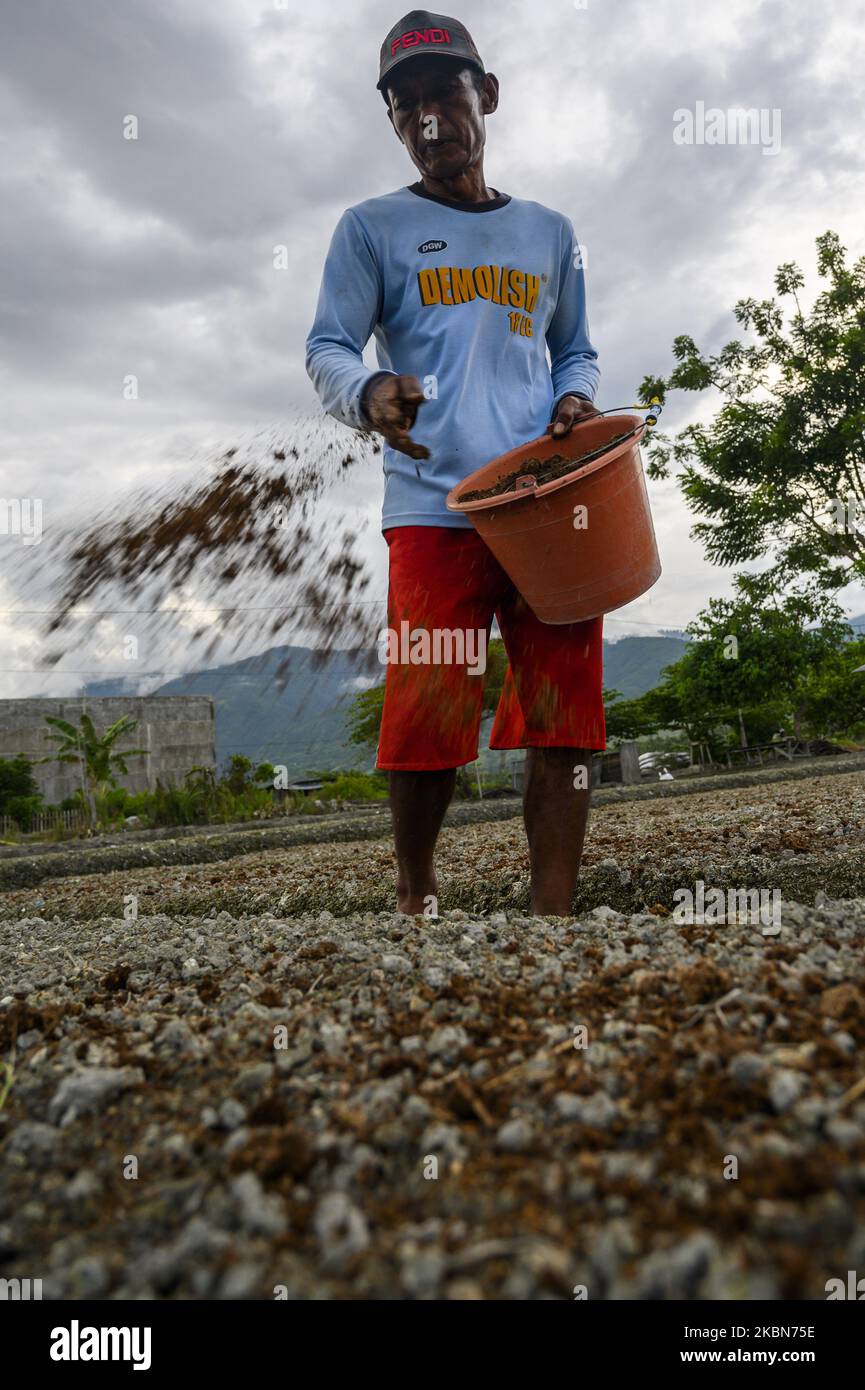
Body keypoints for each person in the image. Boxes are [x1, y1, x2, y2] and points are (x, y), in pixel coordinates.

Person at [306, 10, 604, 915]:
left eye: (445, 93)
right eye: (406, 107)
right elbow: (327, 344)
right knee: (428, 711)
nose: (429, 119)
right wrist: (366, 393)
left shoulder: (549, 232)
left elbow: (577, 350)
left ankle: (552, 912)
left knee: (564, 711)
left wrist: (575, 397)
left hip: (543, 502)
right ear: (394, 124)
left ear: (488, 96)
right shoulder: (371, 228)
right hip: (433, 506)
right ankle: (415, 893)